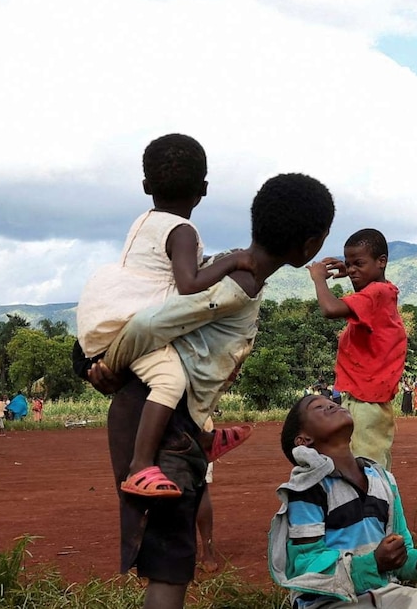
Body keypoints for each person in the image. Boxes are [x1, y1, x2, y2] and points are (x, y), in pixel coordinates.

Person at [82, 171, 335, 609]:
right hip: (156, 421)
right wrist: (108, 364)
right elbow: (147, 322)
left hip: (177, 421)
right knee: (170, 562)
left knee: (176, 554)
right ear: (310, 245)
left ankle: (202, 435)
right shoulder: (236, 284)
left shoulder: (234, 272)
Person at [77, 134, 262, 499]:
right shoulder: (183, 231)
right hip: (129, 320)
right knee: (172, 380)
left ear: (146, 186)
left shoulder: (145, 221)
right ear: (203, 189)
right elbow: (189, 284)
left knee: (183, 362)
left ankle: (202, 436)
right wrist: (232, 261)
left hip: (109, 310)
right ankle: (141, 466)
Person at [270, 394, 417, 609]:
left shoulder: (383, 480)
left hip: (386, 594)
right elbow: (305, 566)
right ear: (303, 440)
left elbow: (400, 557)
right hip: (328, 602)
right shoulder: (307, 489)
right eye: (318, 407)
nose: (331, 404)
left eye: (331, 403)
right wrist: (372, 563)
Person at [311, 228, 406, 470]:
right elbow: (365, 297)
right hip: (364, 399)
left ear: (381, 261)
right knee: (368, 466)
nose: (351, 270)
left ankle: (375, 508)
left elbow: (330, 309)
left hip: (367, 402)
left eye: (358, 263)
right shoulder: (382, 291)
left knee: (367, 471)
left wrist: (319, 278)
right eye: (348, 264)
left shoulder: (376, 293)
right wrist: (356, 272)